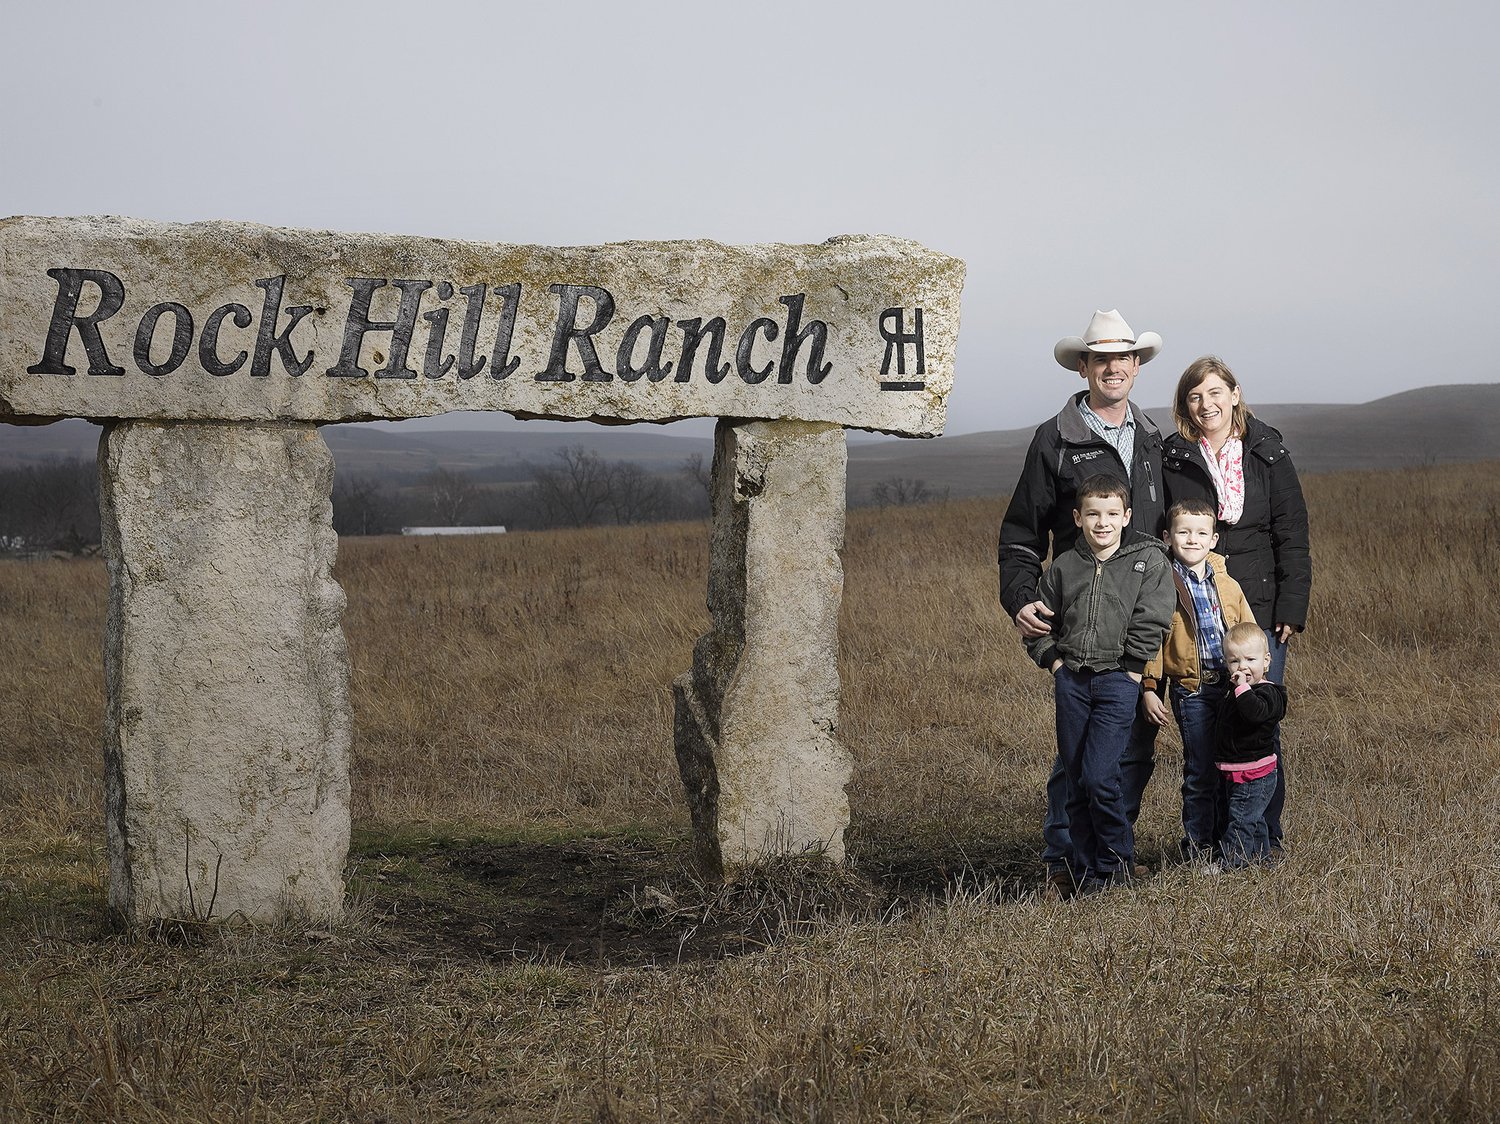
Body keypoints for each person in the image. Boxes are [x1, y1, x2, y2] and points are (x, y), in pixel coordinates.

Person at [999, 309, 1167, 894]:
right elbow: (1023, 532)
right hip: (1083, 622)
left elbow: (1170, 528)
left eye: (1124, 358)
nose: (1113, 368)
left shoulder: (1151, 439)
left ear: (1137, 367)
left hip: (1141, 618)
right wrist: (1021, 597)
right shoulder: (1056, 439)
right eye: (1101, 359)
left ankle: (1110, 855)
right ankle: (1063, 858)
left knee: (1133, 743)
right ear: (1084, 366)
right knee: (1077, 753)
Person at [1160, 356, 1310, 852]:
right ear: (1186, 406)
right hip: (1198, 607)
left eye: (1215, 392)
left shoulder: (1268, 453)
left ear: (1235, 394)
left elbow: (1292, 533)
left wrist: (1291, 605)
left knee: (1256, 719)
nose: (1206, 404)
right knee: (1209, 728)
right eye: (1195, 396)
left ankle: (1265, 836)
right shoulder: (1176, 457)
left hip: (1259, 615)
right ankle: (1220, 839)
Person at [1024, 475, 1174, 894]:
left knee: (1099, 777)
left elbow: (1154, 617)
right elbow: (1039, 623)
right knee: (1075, 779)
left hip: (1117, 683)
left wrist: (1130, 669)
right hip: (1071, 681)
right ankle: (1086, 871)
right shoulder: (1063, 567)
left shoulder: (1147, 561)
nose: (1102, 523)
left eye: (1111, 514)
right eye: (1092, 514)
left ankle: (1117, 863)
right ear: (1078, 518)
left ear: (1126, 517)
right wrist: (1053, 662)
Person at [1141, 499, 1257, 861]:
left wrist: (1254, 676)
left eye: (1201, 533)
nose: (1192, 540)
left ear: (1214, 539)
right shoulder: (1163, 585)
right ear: (1168, 536)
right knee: (1200, 768)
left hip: (1231, 687)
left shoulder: (1228, 584)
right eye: (1184, 532)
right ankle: (1197, 847)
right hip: (1192, 689)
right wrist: (1148, 687)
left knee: (1230, 766)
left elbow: (1247, 630)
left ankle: (1229, 840)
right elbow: (1154, 641)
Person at [1211, 622, 1288, 869]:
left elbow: (1255, 713)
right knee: (1254, 821)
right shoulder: (1234, 692)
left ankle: (1231, 864)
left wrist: (1242, 688)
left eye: (1250, 660)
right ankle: (1261, 859)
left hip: (1256, 773)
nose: (1242, 667)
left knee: (1241, 820)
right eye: (1234, 661)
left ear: (1266, 661)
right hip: (1236, 770)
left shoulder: (1270, 693)